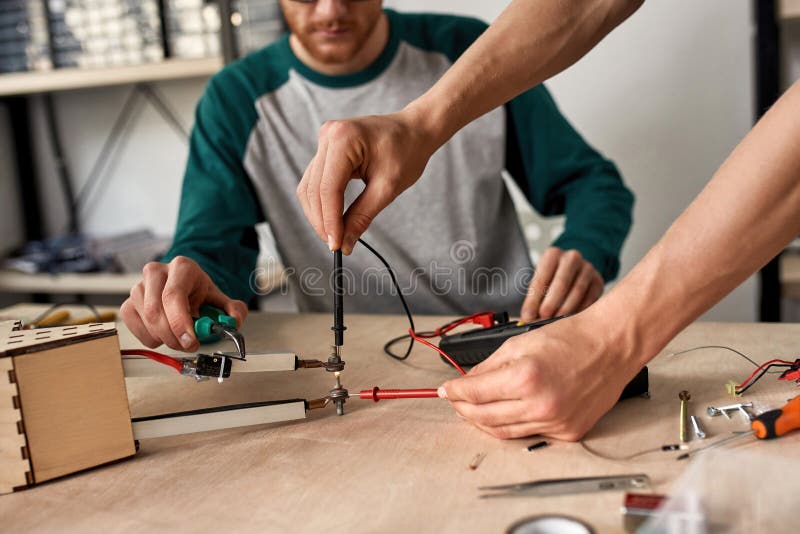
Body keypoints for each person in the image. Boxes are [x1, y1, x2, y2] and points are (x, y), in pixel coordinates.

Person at [301, 0, 800, 441]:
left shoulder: (458, 46)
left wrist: (614, 335)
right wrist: (421, 124)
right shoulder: (238, 100)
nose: (329, 10)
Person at [120, 0, 634, 353]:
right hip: (353, 356)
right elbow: (214, 248)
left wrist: (587, 247)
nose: (331, 10)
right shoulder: (235, 100)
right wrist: (192, 284)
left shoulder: (474, 57)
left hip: (500, 341)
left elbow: (594, 184)